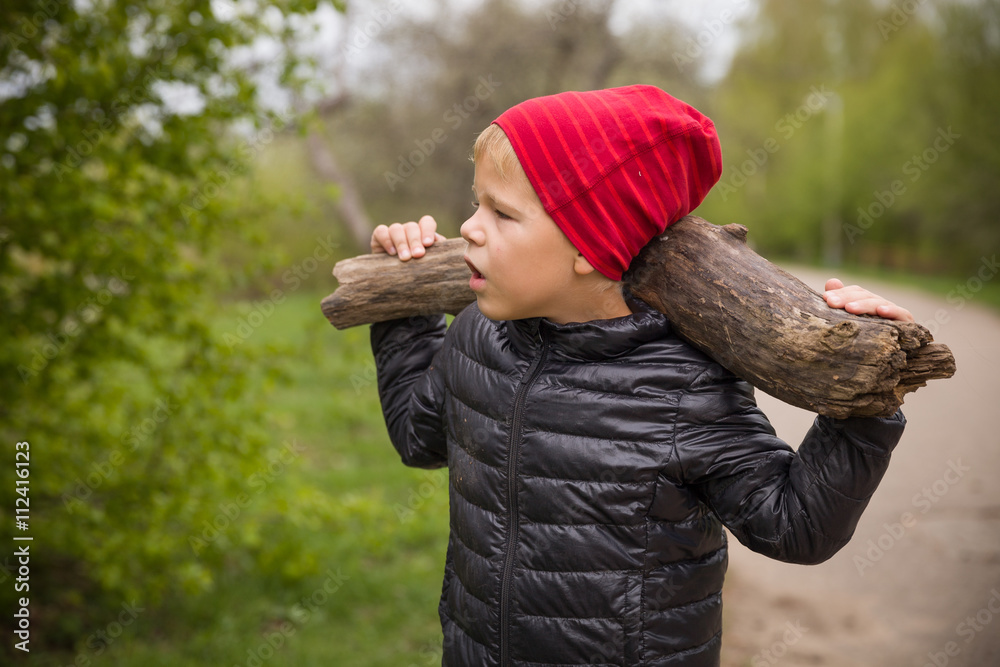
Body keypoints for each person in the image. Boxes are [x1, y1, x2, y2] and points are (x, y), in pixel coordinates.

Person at [367, 85, 912, 667]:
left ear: (589, 245)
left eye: (501, 213)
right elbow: (416, 437)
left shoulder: (682, 386)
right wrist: (403, 308)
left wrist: (865, 400)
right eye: (476, 204)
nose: (470, 228)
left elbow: (796, 527)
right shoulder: (477, 338)